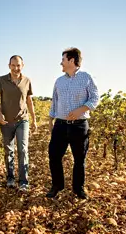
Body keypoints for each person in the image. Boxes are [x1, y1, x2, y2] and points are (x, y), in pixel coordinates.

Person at [46, 47, 99, 199]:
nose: (60, 63)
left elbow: (95, 97)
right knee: (54, 156)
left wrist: (81, 109)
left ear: (71, 60)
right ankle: (57, 185)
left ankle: (78, 188)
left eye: (63, 59)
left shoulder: (86, 77)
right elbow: (54, 102)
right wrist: (51, 120)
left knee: (79, 158)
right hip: (60, 125)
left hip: (79, 125)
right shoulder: (59, 81)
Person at [0, 55, 37, 192]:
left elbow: (29, 101)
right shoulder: (1, 80)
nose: (15, 68)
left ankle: (23, 181)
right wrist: (0, 116)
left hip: (22, 120)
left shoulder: (27, 81)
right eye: (13, 65)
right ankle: (10, 178)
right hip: (6, 122)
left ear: (22, 66)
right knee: (9, 151)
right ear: (9, 66)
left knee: (23, 150)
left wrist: (34, 119)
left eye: (18, 65)